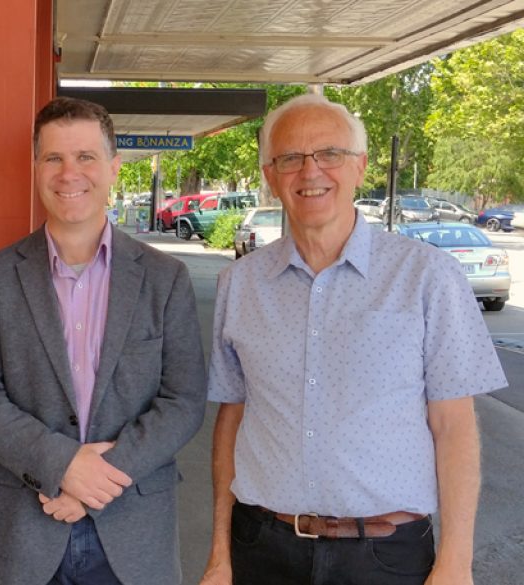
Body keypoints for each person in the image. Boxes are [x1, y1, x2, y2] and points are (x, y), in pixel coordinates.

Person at [200, 93, 507, 585]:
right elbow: (231, 421)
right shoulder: (239, 284)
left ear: (360, 166)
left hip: (386, 558)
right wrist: (220, 554)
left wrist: (456, 562)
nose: (311, 171)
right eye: (290, 158)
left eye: (330, 154)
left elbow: (454, 428)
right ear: (270, 176)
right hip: (262, 549)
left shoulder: (428, 277)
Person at [0, 96, 207, 585]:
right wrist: (62, 465)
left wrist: (96, 480)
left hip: (133, 532)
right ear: (36, 169)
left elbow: (184, 401)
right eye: (54, 158)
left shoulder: (165, 277)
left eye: (86, 157)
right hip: (24, 531)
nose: (69, 173)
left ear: (113, 167)